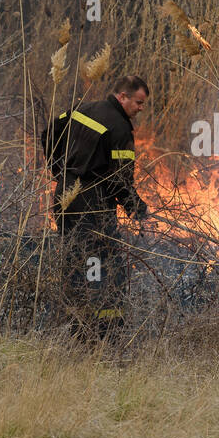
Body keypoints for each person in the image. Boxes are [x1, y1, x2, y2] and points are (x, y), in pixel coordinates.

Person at [41, 75, 150, 339]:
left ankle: (73, 326)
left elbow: (47, 135)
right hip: (93, 209)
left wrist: (59, 171)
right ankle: (103, 334)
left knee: (74, 263)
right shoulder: (120, 129)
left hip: (65, 199)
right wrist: (138, 209)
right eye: (138, 102)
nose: (141, 108)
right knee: (106, 270)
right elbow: (119, 181)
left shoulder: (83, 109)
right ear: (122, 97)